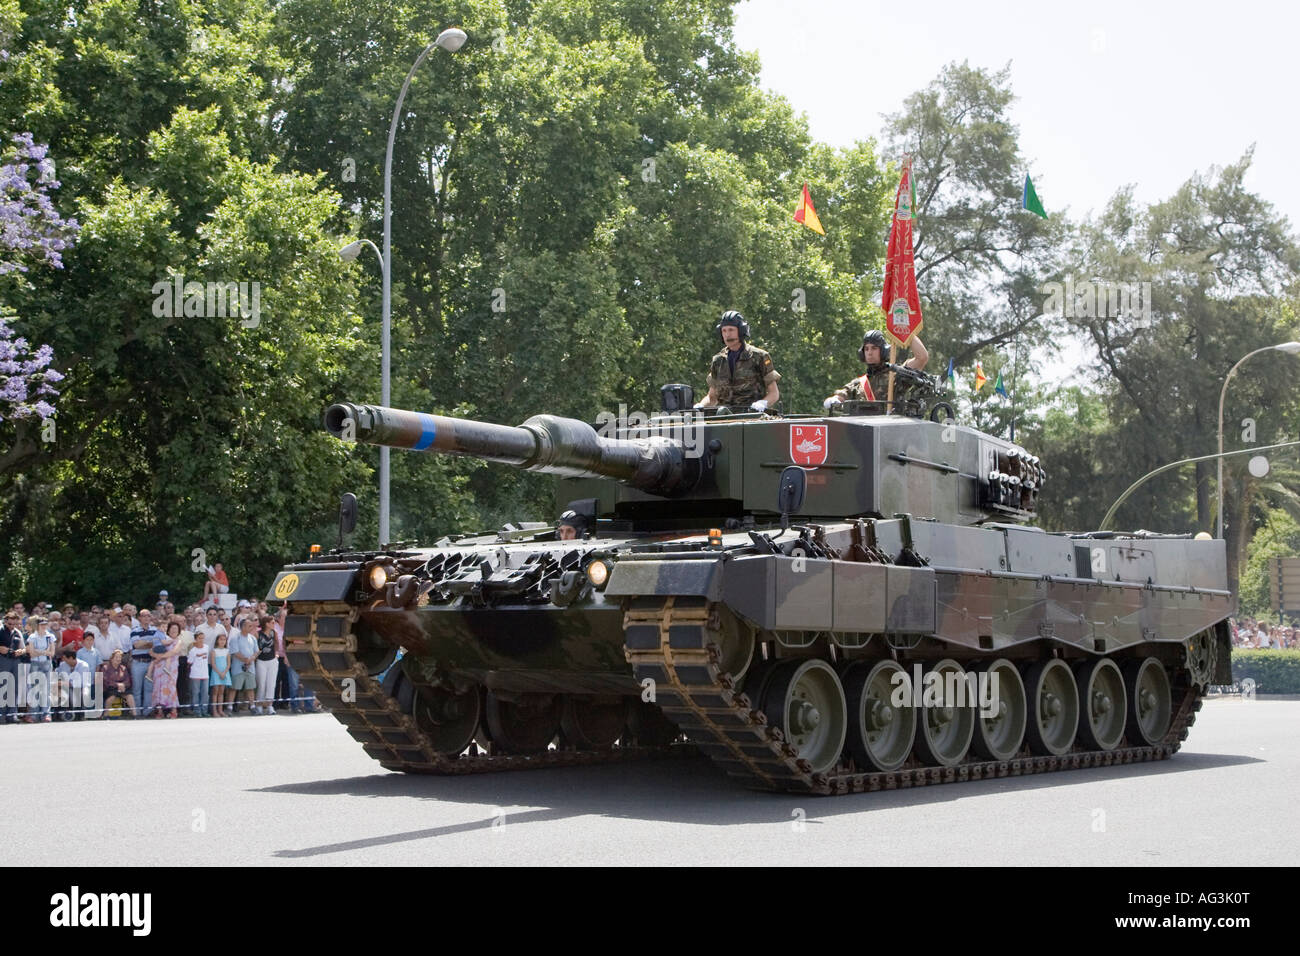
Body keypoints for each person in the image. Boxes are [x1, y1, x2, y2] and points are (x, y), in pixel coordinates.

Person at [824, 329, 930, 413]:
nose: (869, 352)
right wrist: (835, 399)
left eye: (874, 348)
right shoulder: (858, 384)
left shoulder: (896, 374)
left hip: (891, 431)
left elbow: (922, 358)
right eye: (866, 349)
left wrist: (906, 330)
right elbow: (842, 395)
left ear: (883, 351)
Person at [696, 310, 780, 412]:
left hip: (753, 417)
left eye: (731, 330)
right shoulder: (718, 361)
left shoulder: (759, 357)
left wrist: (762, 403)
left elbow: (774, 393)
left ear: (741, 331)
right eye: (724, 331)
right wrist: (701, 405)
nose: (727, 335)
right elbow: (712, 397)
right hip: (724, 417)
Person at [129, 609, 162, 716]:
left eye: (148, 616)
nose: (146, 618)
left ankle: (147, 712)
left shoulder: (155, 630)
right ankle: (137, 712)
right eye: (144, 616)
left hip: (150, 663)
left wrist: (145, 643)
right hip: (137, 663)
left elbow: (158, 644)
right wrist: (150, 643)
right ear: (140, 618)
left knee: (149, 689)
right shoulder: (134, 630)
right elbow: (137, 645)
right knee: (137, 689)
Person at [24, 616, 57, 722]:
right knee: (34, 690)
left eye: (45, 624)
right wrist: (44, 651)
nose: (43, 626)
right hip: (35, 663)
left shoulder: (50, 636)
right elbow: (32, 654)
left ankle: (46, 714)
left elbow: (52, 653)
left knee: (46, 690)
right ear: (37, 626)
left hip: (46, 663)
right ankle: (34, 715)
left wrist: (39, 651)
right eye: (41, 625)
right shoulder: (32, 637)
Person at [149, 621, 182, 718]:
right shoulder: (162, 638)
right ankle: (159, 711)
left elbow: (173, 652)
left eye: (176, 629)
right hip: (159, 666)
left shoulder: (178, 641)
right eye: (171, 629)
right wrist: (157, 657)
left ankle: (173, 710)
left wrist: (160, 657)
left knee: (171, 687)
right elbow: (151, 651)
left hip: (171, 667)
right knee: (158, 687)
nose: (173, 631)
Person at [0, 611, 28, 724]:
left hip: (15, 660)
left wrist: (20, 651)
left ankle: (12, 714)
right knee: (3, 687)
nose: (12, 626)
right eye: (10, 623)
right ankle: (1, 715)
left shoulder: (17, 632)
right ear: (6, 621)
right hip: (3, 660)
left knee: (15, 687)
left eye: (14, 624)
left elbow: (24, 648)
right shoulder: (0, 630)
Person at [229, 617, 259, 714]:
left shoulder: (253, 638)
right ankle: (229, 707)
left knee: (250, 688)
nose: (252, 627)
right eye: (249, 625)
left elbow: (257, 651)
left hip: (250, 668)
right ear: (243, 627)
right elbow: (235, 652)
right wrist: (245, 660)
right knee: (234, 688)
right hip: (238, 667)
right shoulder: (235, 638)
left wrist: (252, 658)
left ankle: (252, 706)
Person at [54, 647, 92, 721]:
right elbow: (57, 674)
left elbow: (81, 683)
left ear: (71, 658)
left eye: (65, 658)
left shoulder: (84, 666)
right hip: (67, 687)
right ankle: (60, 715)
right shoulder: (62, 665)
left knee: (84, 694)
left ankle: (82, 715)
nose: (63, 659)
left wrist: (66, 683)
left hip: (82, 687)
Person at [100, 649, 135, 719]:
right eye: (116, 657)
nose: (118, 659)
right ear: (112, 658)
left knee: (130, 696)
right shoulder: (105, 668)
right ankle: (106, 714)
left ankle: (134, 714)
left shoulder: (123, 668)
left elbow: (127, 680)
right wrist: (117, 685)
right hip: (110, 688)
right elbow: (106, 681)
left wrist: (123, 685)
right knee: (112, 696)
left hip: (122, 688)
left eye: (120, 657)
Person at [254, 616, 279, 715]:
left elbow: (277, 643)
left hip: (272, 661)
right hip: (261, 661)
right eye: (272, 622)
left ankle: (270, 706)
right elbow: (255, 646)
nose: (274, 624)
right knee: (261, 684)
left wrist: (276, 654)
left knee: (271, 684)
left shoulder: (274, 633)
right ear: (267, 624)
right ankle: (259, 706)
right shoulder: (258, 634)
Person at [187, 629, 210, 717]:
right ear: (196, 639)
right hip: (195, 674)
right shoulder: (193, 650)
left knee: (205, 693)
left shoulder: (206, 647)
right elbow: (189, 662)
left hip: (205, 674)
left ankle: (204, 710)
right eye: (199, 638)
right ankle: (197, 711)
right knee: (196, 693)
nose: (201, 640)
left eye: (203, 638)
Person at [209, 631, 232, 716]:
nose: (222, 641)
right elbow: (213, 664)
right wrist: (219, 673)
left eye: (224, 640)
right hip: (216, 673)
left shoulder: (227, 651)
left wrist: (224, 673)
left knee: (222, 692)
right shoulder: (214, 651)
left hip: (224, 673)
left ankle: (220, 710)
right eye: (220, 639)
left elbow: (229, 664)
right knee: (215, 691)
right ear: (217, 641)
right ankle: (214, 711)